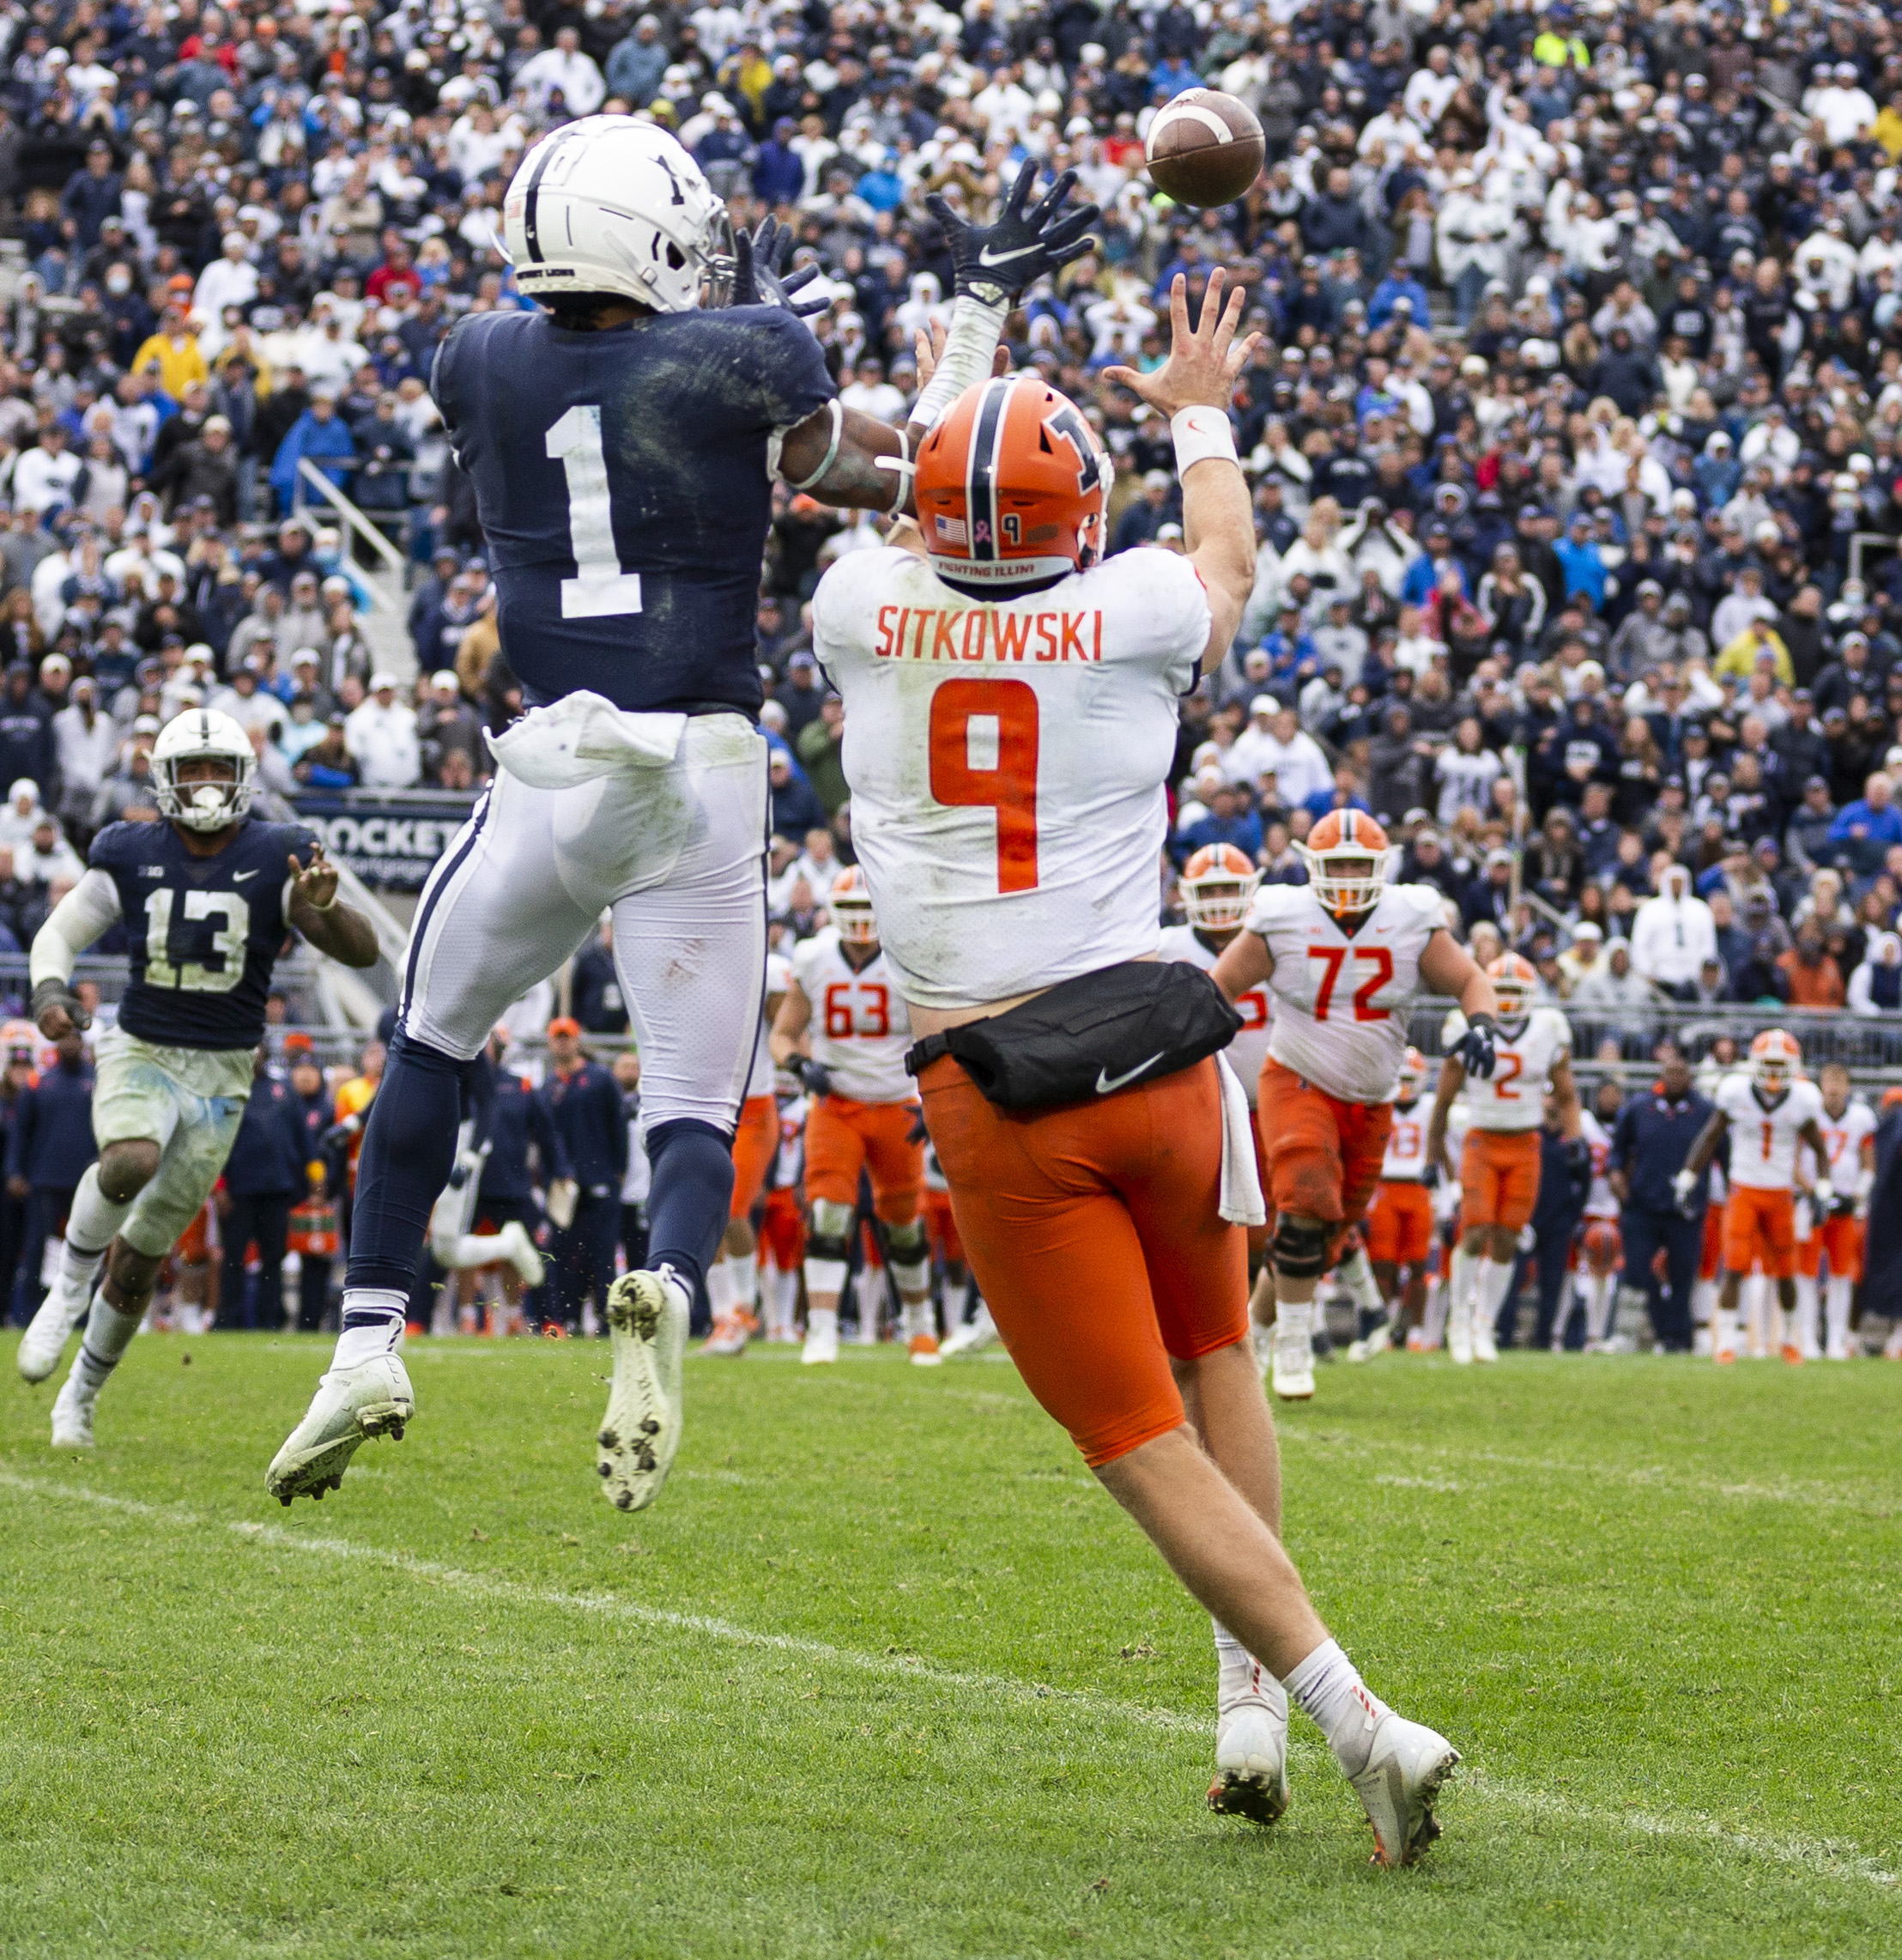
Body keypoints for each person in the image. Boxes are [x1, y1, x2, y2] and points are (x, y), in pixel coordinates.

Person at [267, 120, 1097, 1514]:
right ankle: (661, 1281)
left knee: (431, 1032)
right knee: (699, 1098)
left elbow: (634, 392)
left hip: (548, 763)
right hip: (696, 761)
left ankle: (365, 1337)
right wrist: (927, 322)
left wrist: (748, 338)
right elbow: (905, 477)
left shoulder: (474, 358)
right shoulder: (749, 354)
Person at [810, 270, 1462, 1865]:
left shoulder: (859, 614)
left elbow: (884, 498)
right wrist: (1197, 409)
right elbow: (1226, 556)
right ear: (1086, 511)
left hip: (1003, 1088)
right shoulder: (1137, 609)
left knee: (1131, 1434)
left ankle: (1351, 1715)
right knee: (1219, 1355)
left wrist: (963, 344)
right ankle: (1243, 1696)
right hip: (1170, 1049)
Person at [18, 709, 378, 1447]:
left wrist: (326, 905)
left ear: (244, 778)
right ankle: (65, 1290)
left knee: (146, 1252)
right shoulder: (130, 847)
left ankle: (80, 1396)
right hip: (143, 1045)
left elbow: (362, 953)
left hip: (223, 1070)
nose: (209, 784)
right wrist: (51, 990)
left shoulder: (280, 852)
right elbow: (60, 931)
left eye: (222, 769)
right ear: (166, 779)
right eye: (196, 769)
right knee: (128, 1159)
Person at [1214, 802, 1502, 1399]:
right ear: (1313, 866)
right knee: (1304, 1201)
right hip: (1297, 1077)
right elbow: (1221, 985)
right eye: (1337, 866)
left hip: (1372, 1097)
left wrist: (1481, 1024)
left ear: (1382, 865)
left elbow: (1472, 979)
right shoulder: (1283, 914)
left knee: (1320, 1235)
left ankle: (1254, 1333)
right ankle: (1294, 1349)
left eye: (1357, 865)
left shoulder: (1411, 916)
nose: (1347, 878)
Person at [770, 869, 936, 1364]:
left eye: (870, 909)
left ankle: (920, 1326)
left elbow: (933, 1040)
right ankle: (821, 1330)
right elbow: (782, 1034)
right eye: (852, 910)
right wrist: (801, 1066)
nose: (862, 922)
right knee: (828, 1212)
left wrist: (934, 1101)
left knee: (904, 1224)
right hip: (837, 1103)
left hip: (897, 1103)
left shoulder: (909, 959)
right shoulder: (816, 958)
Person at [1426, 954, 1583, 1365]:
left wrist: (1576, 1136)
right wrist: (1432, 1153)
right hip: (1481, 1139)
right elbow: (1442, 1101)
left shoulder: (1548, 1029)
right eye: (1502, 992)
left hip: (1525, 1142)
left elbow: (1566, 1095)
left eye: (1516, 992)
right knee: (1476, 1230)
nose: (1509, 1001)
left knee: (1509, 1237)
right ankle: (1458, 1322)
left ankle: (1484, 1324)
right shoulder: (1467, 1026)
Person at [1158, 844, 1275, 1342]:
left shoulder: (1275, 938)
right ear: (1186, 894)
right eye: (1211, 890)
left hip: (1264, 1106)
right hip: (1190, 1105)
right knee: (1196, 1226)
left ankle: (1269, 1322)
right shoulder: (1163, 946)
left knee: (1267, 1229)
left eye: (1230, 888)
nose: (1222, 899)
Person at [1675, 1029, 1832, 1366]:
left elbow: (1820, 1150)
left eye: (1780, 1065)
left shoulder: (1802, 1099)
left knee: (1786, 1272)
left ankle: (1790, 1339)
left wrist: (1822, 1191)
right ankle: (1727, 1344)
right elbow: (1710, 1136)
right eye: (1768, 1064)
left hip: (1780, 1193)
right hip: (1744, 1189)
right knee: (1734, 1267)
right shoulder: (1737, 1093)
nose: (1774, 1073)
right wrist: (1688, 1176)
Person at [702, 950, 790, 1354]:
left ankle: (743, 1308)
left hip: (751, 1106)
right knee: (704, 1212)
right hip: (702, 1103)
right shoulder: (694, 961)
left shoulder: (765, 965)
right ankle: (726, 1314)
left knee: (730, 1210)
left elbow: (785, 1029)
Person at [217, 1047, 310, 1332]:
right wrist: (219, 1187)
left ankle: (269, 1320)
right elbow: (214, 1143)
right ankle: (228, 1320)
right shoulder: (228, 1092)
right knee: (233, 1257)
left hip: (277, 1188)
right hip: (238, 1191)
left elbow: (303, 1140)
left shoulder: (283, 1091)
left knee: (273, 1258)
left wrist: (313, 1177)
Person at [1348, 1047, 1433, 1361]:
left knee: (1419, 1265)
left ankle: (1416, 1331)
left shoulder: (1433, 1108)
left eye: (1411, 1079)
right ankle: (1385, 1326)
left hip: (1419, 1190)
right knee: (1383, 1266)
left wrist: (1450, 1194)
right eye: (1402, 1080)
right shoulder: (1380, 1107)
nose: (1406, 1086)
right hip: (1384, 1189)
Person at [1792, 1061, 1875, 1362]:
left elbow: (1868, 1164)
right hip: (1813, 1202)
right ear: (1821, 1085)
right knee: (1807, 1274)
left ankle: (1837, 1339)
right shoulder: (1808, 1116)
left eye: (1841, 1081)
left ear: (1849, 1086)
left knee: (1842, 1275)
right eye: (1830, 1081)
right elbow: (1794, 1161)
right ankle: (1808, 1338)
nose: (1835, 1089)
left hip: (1845, 1203)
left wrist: (1858, 1194)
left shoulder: (1861, 1118)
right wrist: (1812, 1192)